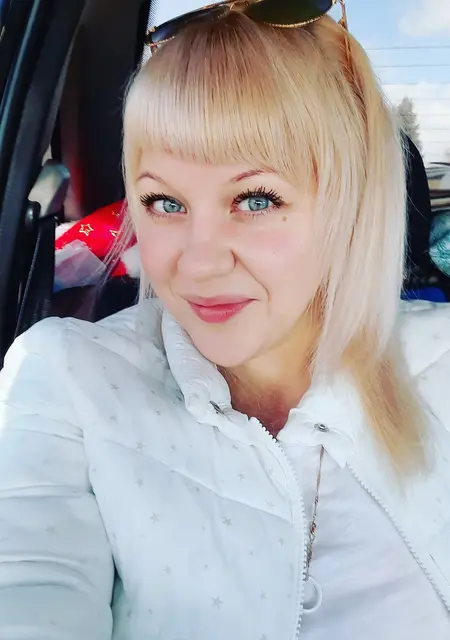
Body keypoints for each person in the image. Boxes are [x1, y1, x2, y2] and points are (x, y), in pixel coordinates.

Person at [0, 2, 450, 638]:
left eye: (255, 199)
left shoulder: (439, 361)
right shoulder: (64, 379)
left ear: (348, 203)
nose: (199, 262)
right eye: (165, 202)